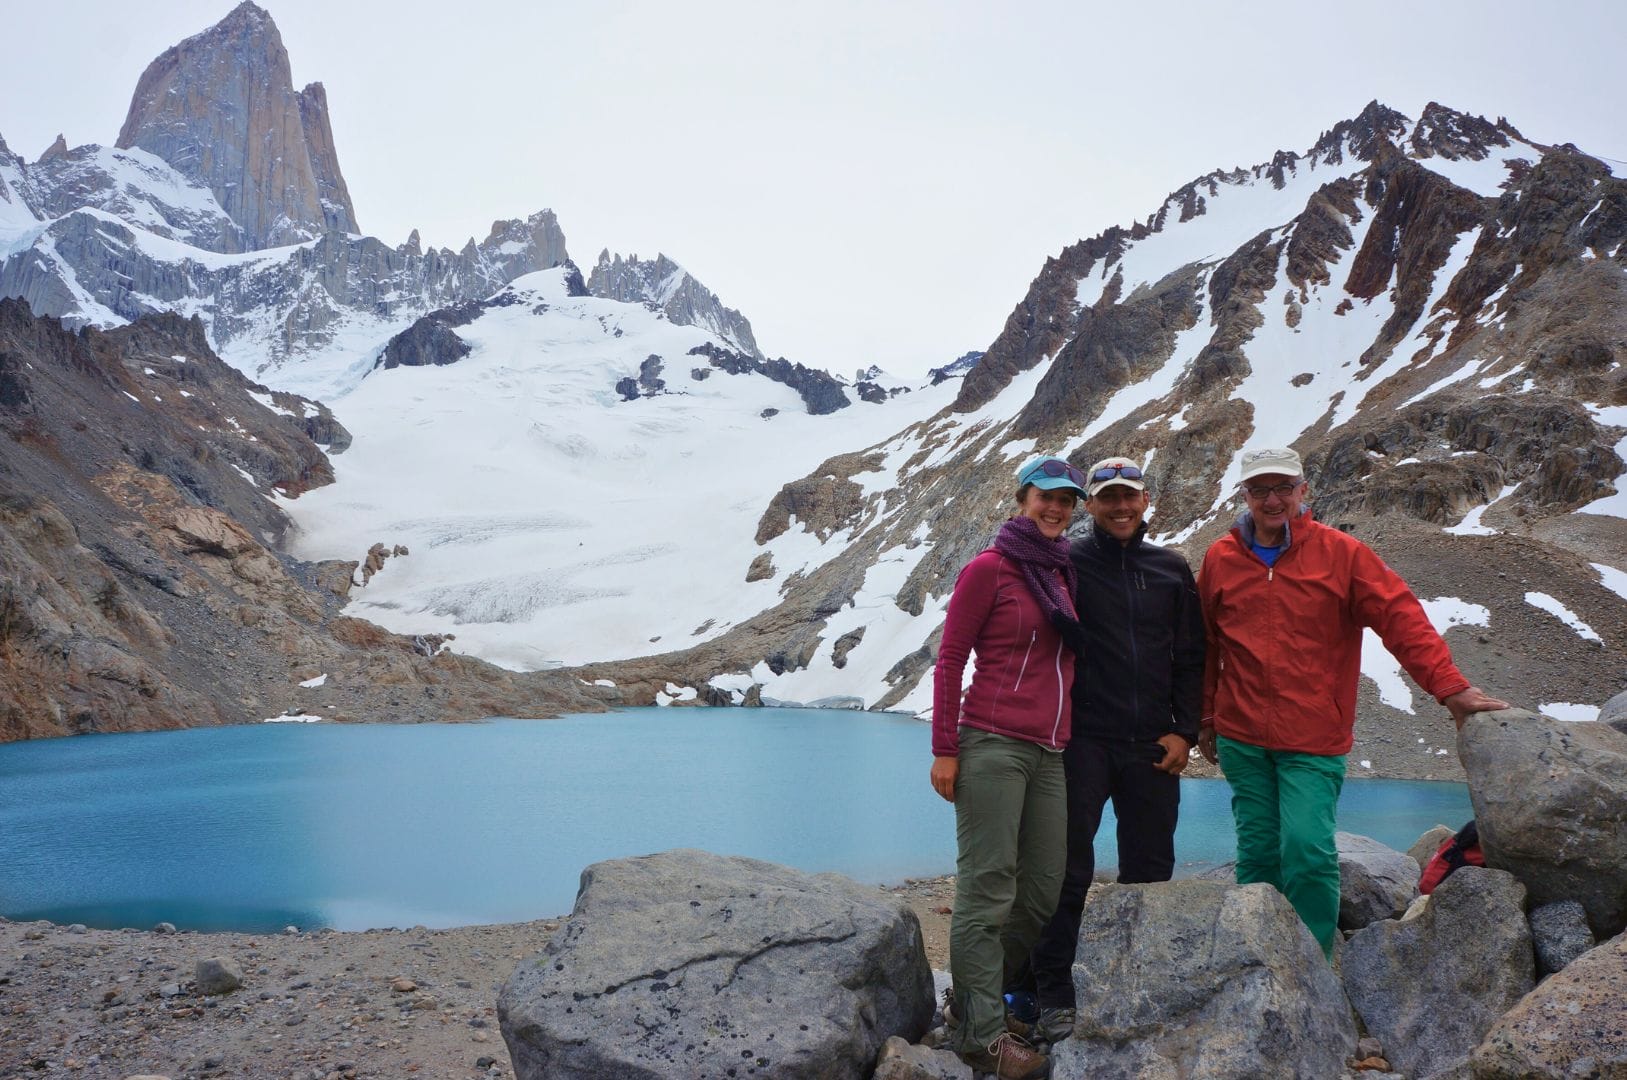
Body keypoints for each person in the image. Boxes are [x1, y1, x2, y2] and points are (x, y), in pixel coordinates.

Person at [1196, 446, 1509, 958]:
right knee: (1256, 853)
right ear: (1245, 495)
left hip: (1314, 737)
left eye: (1282, 488)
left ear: (1304, 491)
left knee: (1306, 848)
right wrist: (1206, 716)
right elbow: (1207, 644)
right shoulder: (1220, 559)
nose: (1272, 499)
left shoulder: (1341, 554)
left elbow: (1399, 617)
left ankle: (1315, 962)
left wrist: (1449, 687)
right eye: (1259, 489)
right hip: (1241, 735)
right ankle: (1254, 954)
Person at [1021, 456, 1205, 1044]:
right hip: (1083, 740)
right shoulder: (1068, 562)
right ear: (1091, 505)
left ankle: (1139, 978)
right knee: (1066, 868)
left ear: (1145, 500)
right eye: (1107, 497)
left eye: (1130, 496)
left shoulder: (1171, 568)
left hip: (1154, 742)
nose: (1120, 507)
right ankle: (1054, 991)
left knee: (1150, 868)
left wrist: (1185, 731)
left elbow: (1192, 657)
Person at [930, 453, 1087, 1079]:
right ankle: (981, 1034)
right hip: (991, 742)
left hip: (1050, 751)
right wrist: (945, 748)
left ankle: (974, 1000)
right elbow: (950, 662)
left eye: (1065, 500)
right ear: (1023, 498)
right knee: (988, 888)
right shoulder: (990, 570)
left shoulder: (1062, 573)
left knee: (1042, 888)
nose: (1056, 509)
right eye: (1045, 497)